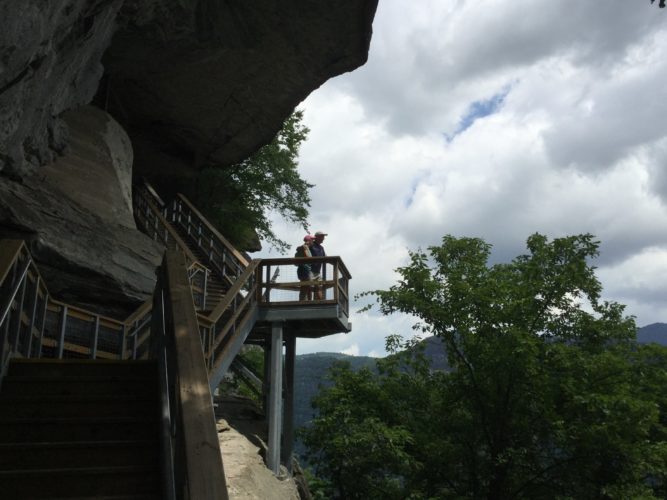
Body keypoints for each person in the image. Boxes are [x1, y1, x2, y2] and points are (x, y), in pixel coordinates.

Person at [295, 235, 315, 300]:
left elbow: (295, 263)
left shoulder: (301, 249)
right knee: (306, 287)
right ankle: (305, 303)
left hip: (301, 270)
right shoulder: (305, 248)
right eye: (312, 240)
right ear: (309, 241)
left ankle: (305, 302)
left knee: (305, 287)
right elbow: (309, 258)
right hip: (305, 270)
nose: (313, 242)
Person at [309, 231, 327, 300]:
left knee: (319, 287)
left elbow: (325, 257)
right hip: (310, 270)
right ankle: (309, 304)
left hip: (317, 272)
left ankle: (319, 303)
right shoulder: (311, 245)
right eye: (322, 236)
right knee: (309, 287)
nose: (323, 238)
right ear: (317, 237)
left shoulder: (321, 248)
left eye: (323, 237)